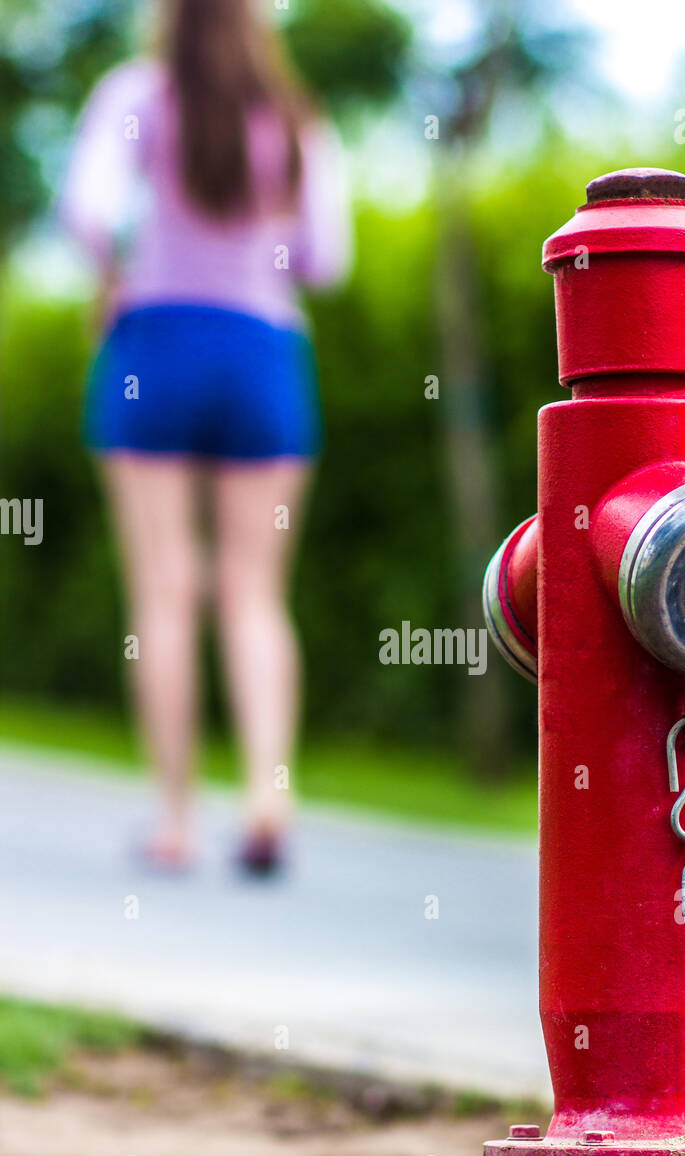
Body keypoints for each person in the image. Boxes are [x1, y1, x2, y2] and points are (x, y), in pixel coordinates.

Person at [60, 0, 351, 874]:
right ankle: (268, 796)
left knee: (162, 593)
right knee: (255, 595)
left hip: (155, 344)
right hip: (262, 354)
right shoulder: (297, 118)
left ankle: (176, 820)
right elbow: (325, 261)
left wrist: (117, 269)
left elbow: (87, 209)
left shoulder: (137, 94)